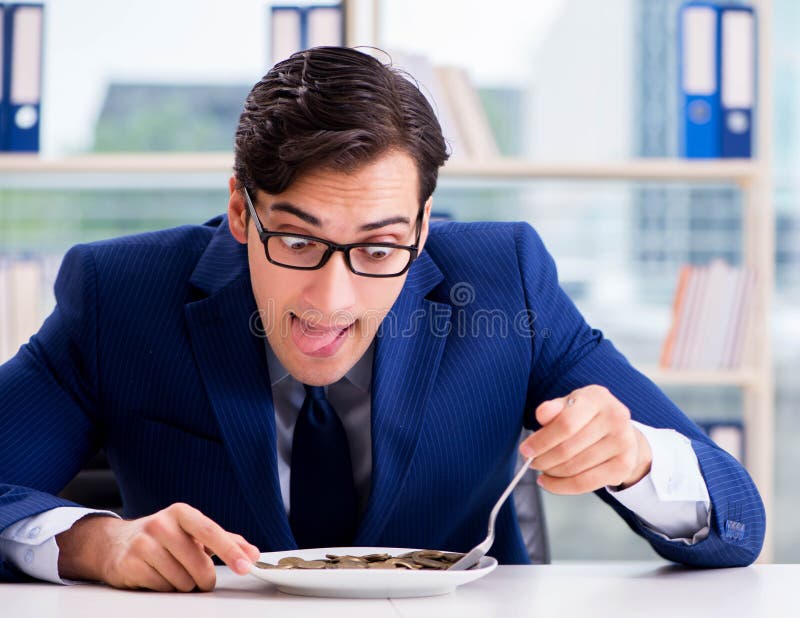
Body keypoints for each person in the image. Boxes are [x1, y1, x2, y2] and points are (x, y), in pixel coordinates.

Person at [0, 46, 764, 591]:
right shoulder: (121, 294)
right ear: (241, 210)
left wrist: (633, 458)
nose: (332, 301)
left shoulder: (506, 282)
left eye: (379, 247)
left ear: (423, 227)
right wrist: (94, 542)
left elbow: (738, 519)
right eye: (297, 240)